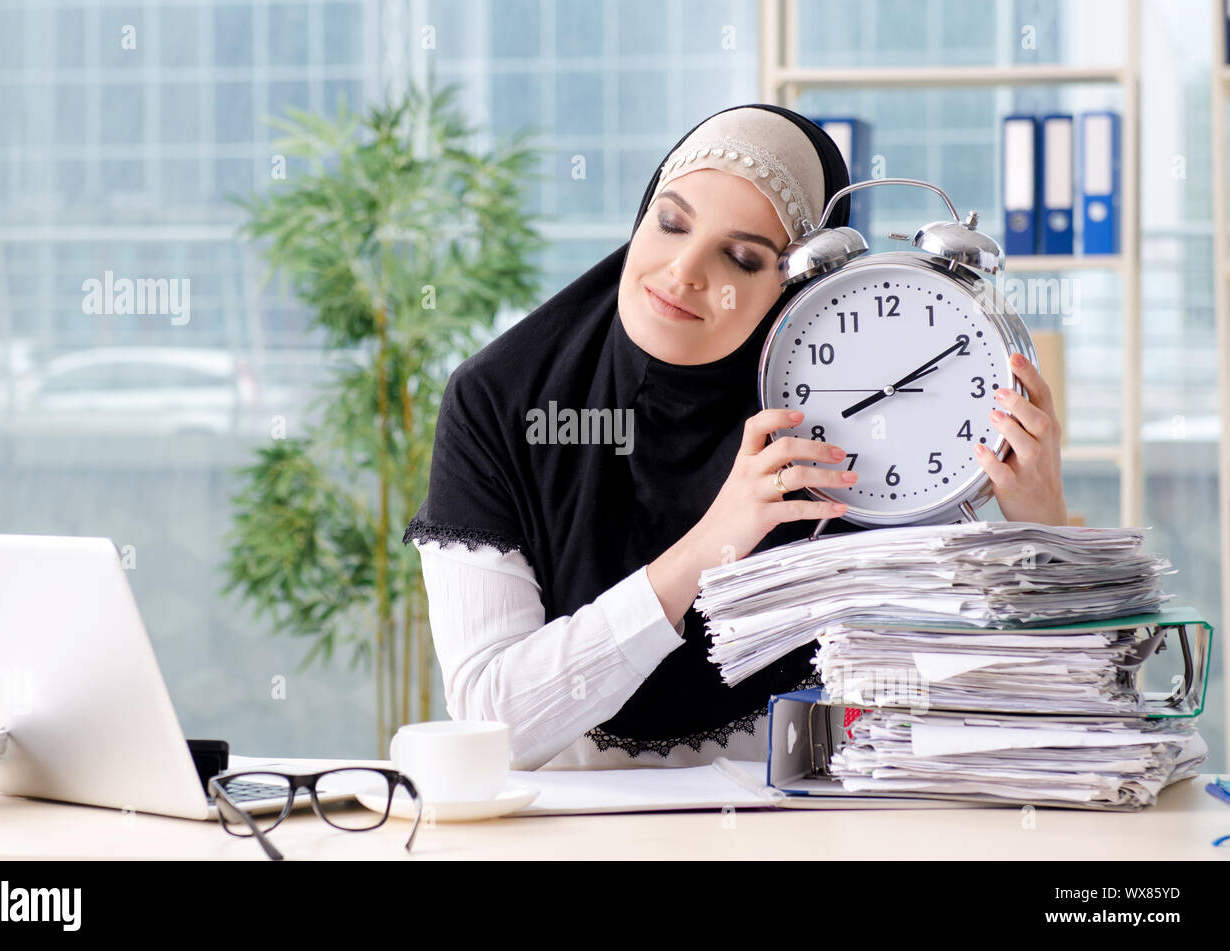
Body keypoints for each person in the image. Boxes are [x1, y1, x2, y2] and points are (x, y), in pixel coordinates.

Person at [402, 104, 1068, 772]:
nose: (684, 271)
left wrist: (1047, 531)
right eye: (670, 223)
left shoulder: (853, 424)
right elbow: (493, 723)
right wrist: (714, 542)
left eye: (743, 257)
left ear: (791, 294)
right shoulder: (499, 400)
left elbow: (1033, 718)